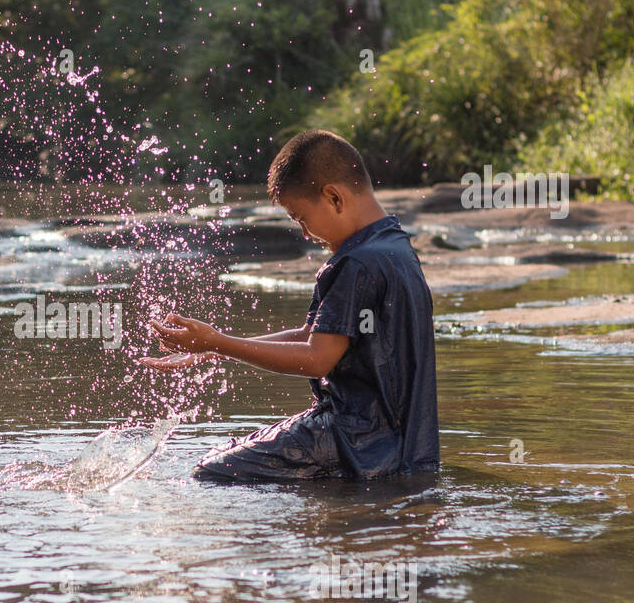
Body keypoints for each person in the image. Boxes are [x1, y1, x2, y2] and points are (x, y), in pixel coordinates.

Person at [141, 129, 438, 482]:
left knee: (212, 472)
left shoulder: (356, 263)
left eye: (300, 218)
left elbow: (317, 359)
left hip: (354, 440)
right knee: (224, 457)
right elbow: (313, 335)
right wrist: (217, 349)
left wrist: (216, 341)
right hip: (399, 447)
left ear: (334, 198)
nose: (306, 235)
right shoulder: (395, 247)